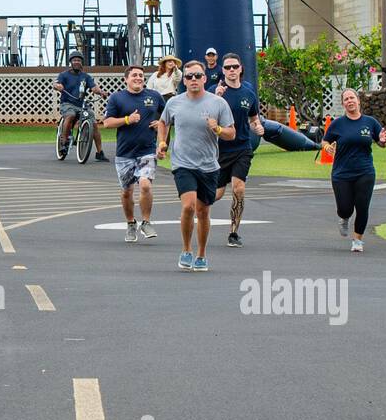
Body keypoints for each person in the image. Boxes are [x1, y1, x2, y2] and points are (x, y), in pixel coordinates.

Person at [157, 60, 234, 272]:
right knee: (188, 206)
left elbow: (231, 133)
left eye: (197, 76)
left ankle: (201, 254)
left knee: (203, 211)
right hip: (183, 163)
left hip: (208, 165)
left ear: (204, 78)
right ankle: (186, 249)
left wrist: (217, 128)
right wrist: (162, 143)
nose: (193, 80)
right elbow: (163, 122)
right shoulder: (174, 103)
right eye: (189, 76)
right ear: (184, 80)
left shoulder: (218, 103)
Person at [322, 88, 386, 254]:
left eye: (352, 98)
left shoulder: (370, 122)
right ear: (343, 104)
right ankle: (344, 218)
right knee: (345, 208)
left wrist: (383, 141)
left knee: (362, 206)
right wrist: (328, 147)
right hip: (341, 173)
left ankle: (358, 240)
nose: (350, 101)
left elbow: (381, 141)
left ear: (358, 101)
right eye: (346, 99)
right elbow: (325, 141)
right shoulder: (338, 124)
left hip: (364, 171)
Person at [102, 64, 164, 243]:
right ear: (126, 79)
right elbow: (107, 123)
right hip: (125, 153)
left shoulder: (154, 96)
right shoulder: (117, 98)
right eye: (134, 75)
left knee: (145, 185)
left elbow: (167, 116)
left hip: (147, 151)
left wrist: (159, 122)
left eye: (141, 75)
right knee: (127, 192)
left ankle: (146, 221)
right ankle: (131, 223)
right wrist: (128, 119)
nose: (138, 78)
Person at [213, 52, 264, 248]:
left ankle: (233, 232)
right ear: (223, 70)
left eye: (235, 66)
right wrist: (215, 98)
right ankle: (195, 208)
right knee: (216, 195)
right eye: (227, 67)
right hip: (220, 150)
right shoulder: (214, 91)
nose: (232, 70)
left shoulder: (248, 93)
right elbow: (206, 117)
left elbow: (253, 118)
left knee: (239, 188)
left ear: (241, 68)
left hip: (242, 147)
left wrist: (258, 127)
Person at [54, 51, 107, 162]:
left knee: (93, 123)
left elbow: (94, 88)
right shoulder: (64, 75)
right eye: (74, 60)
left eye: (79, 60)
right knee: (70, 115)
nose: (77, 62)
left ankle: (99, 152)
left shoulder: (86, 77)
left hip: (81, 105)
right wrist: (58, 86)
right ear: (71, 62)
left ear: (81, 62)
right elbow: (57, 84)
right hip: (67, 103)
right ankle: (64, 141)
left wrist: (101, 92)